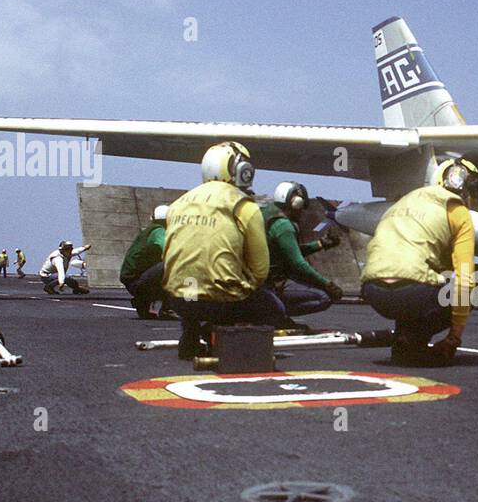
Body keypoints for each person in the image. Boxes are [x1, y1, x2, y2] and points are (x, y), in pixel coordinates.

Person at [163, 141, 289, 359]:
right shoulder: (244, 206)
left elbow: (169, 257)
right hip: (222, 303)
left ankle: (192, 333)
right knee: (275, 309)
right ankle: (226, 336)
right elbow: (260, 270)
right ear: (243, 171)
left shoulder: (177, 204)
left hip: (180, 300)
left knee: (191, 282)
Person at [360, 158, 478, 366]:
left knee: (416, 279)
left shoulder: (404, 201)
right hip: (411, 293)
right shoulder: (458, 211)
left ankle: (403, 342)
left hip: (373, 291)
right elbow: (466, 279)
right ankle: (413, 340)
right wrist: (454, 338)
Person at [260, 181, 345, 319]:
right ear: (296, 203)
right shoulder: (284, 226)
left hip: (260, 280)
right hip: (272, 283)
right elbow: (298, 263)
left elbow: (289, 250)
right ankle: (278, 317)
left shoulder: (267, 213)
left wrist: (320, 244)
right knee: (324, 297)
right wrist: (328, 285)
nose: (301, 212)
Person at [120, 205, 169, 318]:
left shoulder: (148, 231)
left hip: (133, 281)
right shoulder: (159, 231)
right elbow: (168, 250)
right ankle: (168, 308)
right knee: (172, 265)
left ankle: (142, 302)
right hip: (137, 282)